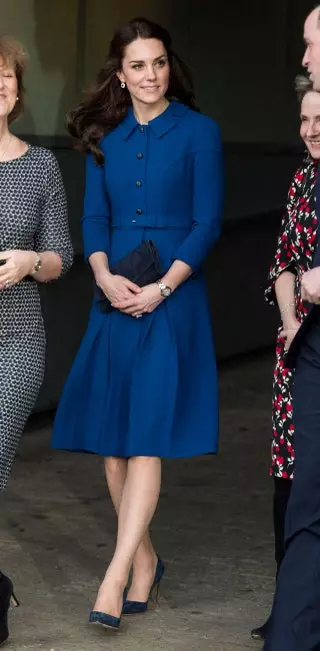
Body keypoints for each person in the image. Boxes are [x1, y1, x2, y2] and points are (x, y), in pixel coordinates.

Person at [51, 16, 223, 631]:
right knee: (114, 449)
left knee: (146, 436)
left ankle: (115, 573)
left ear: (168, 65)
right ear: (119, 75)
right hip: (115, 296)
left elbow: (207, 223)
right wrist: (101, 275)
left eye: (159, 62)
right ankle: (147, 560)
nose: (151, 75)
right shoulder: (107, 136)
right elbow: (94, 220)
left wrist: (162, 287)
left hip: (171, 299)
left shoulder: (200, 132)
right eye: (138, 66)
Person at [0, 36, 73, 645]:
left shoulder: (40, 164)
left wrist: (29, 260)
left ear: (19, 91)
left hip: (18, 337)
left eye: (6, 77)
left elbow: (61, 257)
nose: (0, 85)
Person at [251, 74, 320, 642]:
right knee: (289, 480)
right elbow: (284, 263)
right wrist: (292, 326)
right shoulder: (303, 179)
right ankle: (288, 603)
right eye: (303, 120)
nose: (311, 130)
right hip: (298, 346)